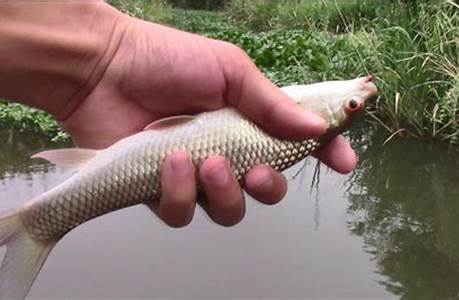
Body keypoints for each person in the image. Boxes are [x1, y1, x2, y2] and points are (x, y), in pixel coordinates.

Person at [0, 2, 357, 228]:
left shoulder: (305, 119)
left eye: (352, 104)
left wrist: (104, 59)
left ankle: (36, 225)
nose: (359, 90)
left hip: (140, 152)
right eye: (353, 104)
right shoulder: (296, 118)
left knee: (212, 174)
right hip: (139, 141)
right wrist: (106, 57)